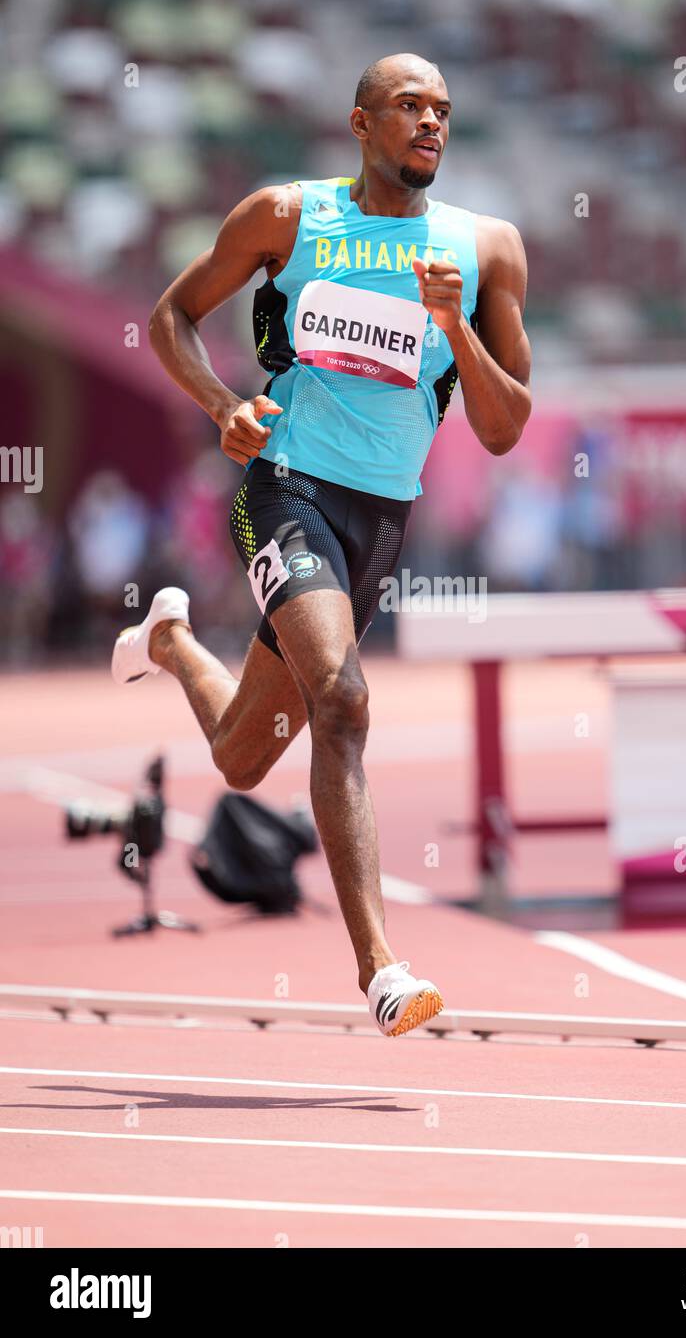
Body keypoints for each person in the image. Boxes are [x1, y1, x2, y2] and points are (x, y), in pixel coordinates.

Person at [113, 54, 532, 1037]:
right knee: (342, 703)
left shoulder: (486, 250)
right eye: (406, 107)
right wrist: (223, 405)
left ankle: (169, 642)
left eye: (441, 109)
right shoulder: (286, 218)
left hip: (381, 521)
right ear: (359, 122)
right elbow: (170, 314)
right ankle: (380, 967)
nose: (429, 122)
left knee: (243, 758)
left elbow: (506, 422)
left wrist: (452, 329)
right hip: (286, 488)